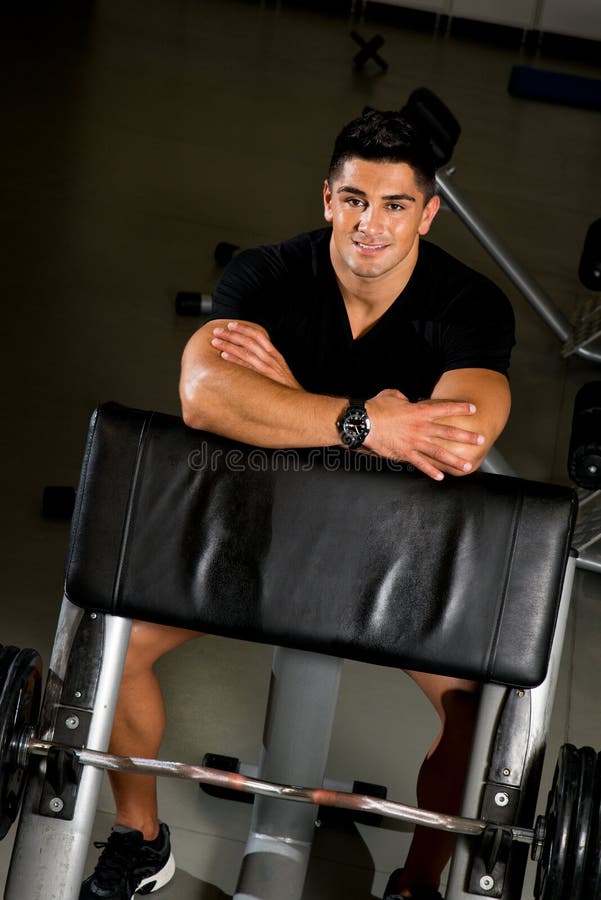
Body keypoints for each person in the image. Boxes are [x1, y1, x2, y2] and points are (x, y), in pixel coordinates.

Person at [80, 109, 514, 900]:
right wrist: (369, 422)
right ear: (325, 198)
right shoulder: (266, 275)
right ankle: (140, 839)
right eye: (352, 199)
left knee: (476, 713)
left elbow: (460, 442)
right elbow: (205, 397)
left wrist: (286, 401)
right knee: (116, 650)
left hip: (395, 548)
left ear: (427, 212)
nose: (368, 225)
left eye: (391, 205)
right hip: (262, 527)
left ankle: (418, 883)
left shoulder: (468, 304)